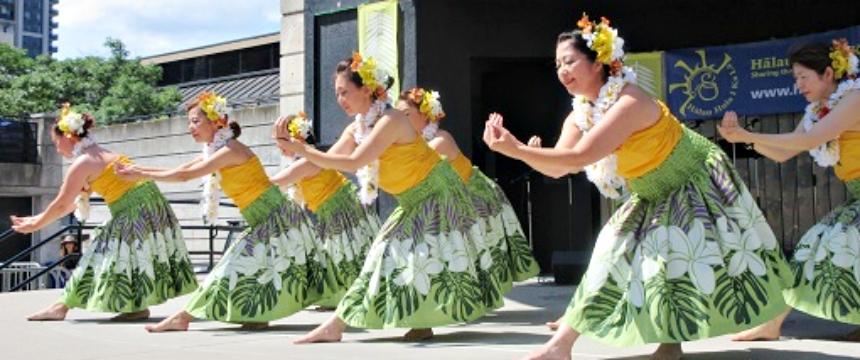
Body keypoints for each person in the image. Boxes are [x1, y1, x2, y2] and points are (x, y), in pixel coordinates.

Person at [482, 15, 791, 360]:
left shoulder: (629, 101)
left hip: (693, 176)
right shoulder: (580, 114)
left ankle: (769, 317)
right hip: (649, 189)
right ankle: (562, 347)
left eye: (569, 61)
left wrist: (518, 150)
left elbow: (580, 156)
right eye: (556, 65)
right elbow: (558, 168)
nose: (561, 71)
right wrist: (524, 152)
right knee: (609, 253)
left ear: (598, 61)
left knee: (717, 255)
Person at [283, 53, 501, 343]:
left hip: (436, 193)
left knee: (389, 252)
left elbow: (354, 161)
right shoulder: (357, 128)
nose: (340, 99)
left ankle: (338, 326)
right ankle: (407, 323)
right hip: (412, 199)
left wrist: (303, 150)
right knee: (388, 255)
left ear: (366, 89)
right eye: (336, 93)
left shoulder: (391, 120)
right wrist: (297, 152)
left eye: (344, 92)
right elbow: (326, 161)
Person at [115, 91, 323, 332]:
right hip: (265, 218)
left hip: (274, 217)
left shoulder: (229, 151)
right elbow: (181, 168)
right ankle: (253, 315)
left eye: (195, 121)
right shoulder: (214, 151)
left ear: (216, 122)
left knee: (230, 266)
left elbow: (184, 176)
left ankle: (183, 317)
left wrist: (140, 174)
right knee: (244, 267)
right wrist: (136, 168)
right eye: (189, 122)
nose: (190, 128)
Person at [719, 39, 860, 342]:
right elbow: (783, 153)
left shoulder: (855, 99)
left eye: (803, 77)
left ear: (826, 73)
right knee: (818, 250)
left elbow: (812, 140)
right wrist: (740, 139)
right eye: (795, 78)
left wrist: (746, 133)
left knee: (821, 247)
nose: (798, 85)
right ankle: (773, 324)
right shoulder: (818, 110)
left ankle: (772, 325)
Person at [16, 104, 196, 322]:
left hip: (135, 207)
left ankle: (62, 307)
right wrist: (35, 219)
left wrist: (35, 225)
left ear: (69, 136)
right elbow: (71, 203)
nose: (56, 148)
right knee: (123, 256)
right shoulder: (99, 154)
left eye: (56, 142)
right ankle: (132, 307)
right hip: (148, 202)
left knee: (103, 253)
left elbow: (62, 204)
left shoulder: (83, 162)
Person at [395, 87, 539, 288]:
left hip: (475, 197)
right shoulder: (415, 143)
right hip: (450, 203)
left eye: (406, 115)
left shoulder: (441, 139)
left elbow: (416, 164)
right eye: (399, 117)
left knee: (480, 252)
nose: (401, 121)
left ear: (424, 114)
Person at [270, 112, 381, 309]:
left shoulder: (306, 161)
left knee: (349, 252)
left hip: (340, 208)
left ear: (294, 140)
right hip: (329, 211)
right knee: (336, 254)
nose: (278, 145)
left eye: (281, 140)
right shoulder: (306, 159)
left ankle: (356, 292)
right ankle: (340, 294)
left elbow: (276, 182)